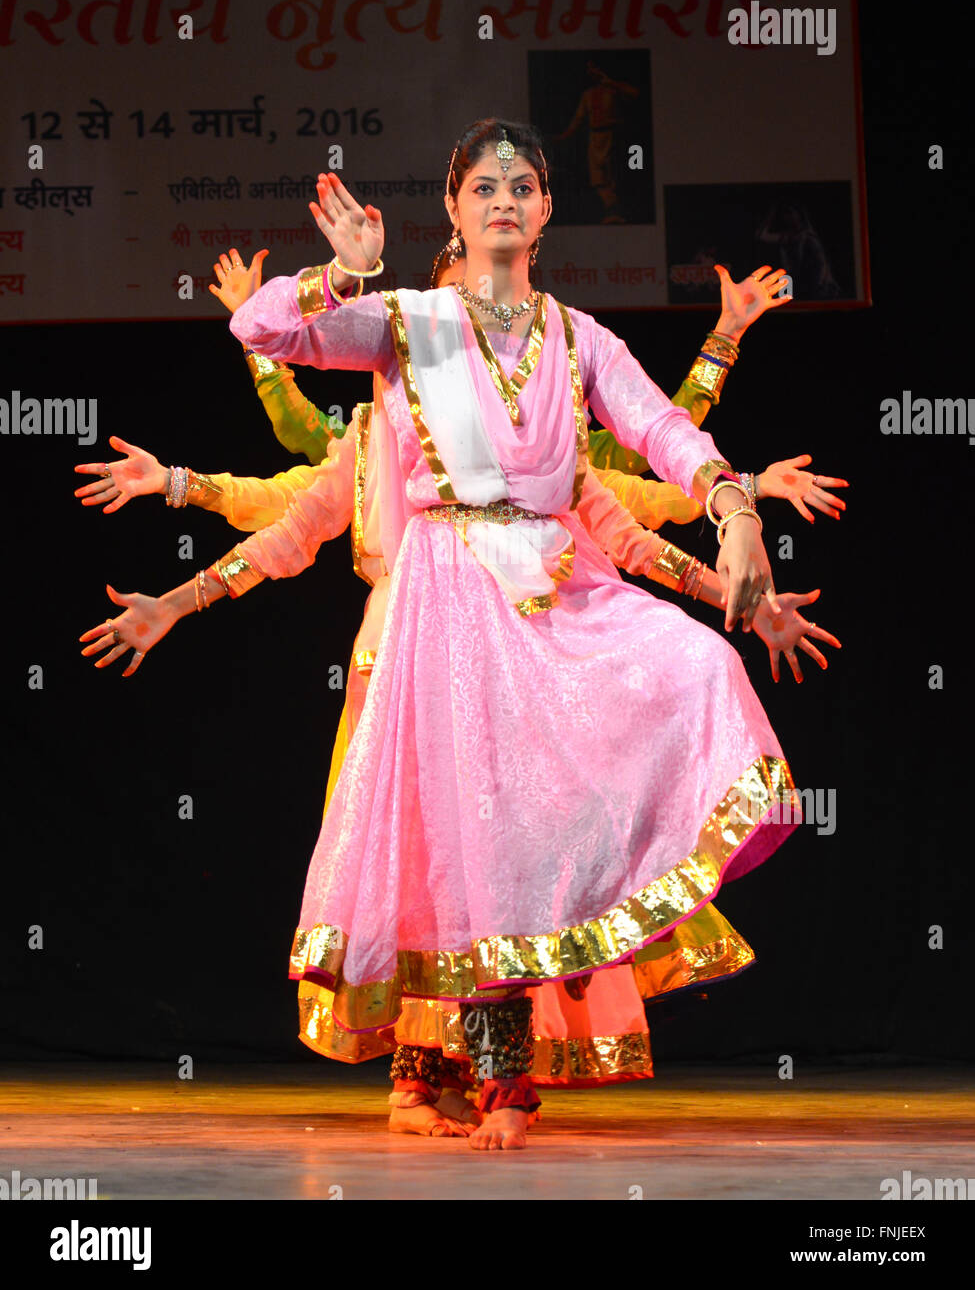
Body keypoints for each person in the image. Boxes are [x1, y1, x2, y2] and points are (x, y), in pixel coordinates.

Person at [80, 118, 827, 1151]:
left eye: (523, 184)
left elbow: (661, 430)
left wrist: (735, 507)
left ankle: (510, 1065)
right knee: (473, 840)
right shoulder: (410, 321)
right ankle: (493, 1082)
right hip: (444, 603)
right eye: (485, 186)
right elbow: (259, 332)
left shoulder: (580, 338)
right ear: (455, 206)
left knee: (699, 665)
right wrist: (342, 275)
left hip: (555, 587)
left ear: (548, 207)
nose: (505, 199)